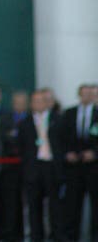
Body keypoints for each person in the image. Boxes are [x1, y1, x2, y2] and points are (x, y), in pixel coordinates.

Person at [19, 90, 63, 242]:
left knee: (55, 206)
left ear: (47, 102)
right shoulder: (25, 123)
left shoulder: (58, 120)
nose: (38, 104)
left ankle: (57, 236)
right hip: (33, 168)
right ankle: (36, 237)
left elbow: (63, 143)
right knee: (33, 206)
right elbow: (21, 147)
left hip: (52, 167)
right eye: (35, 101)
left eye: (41, 100)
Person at [59, 84, 97, 241]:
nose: (87, 96)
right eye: (84, 94)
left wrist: (95, 153)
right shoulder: (69, 113)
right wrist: (67, 153)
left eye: (90, 93)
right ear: (79, 95)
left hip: (93, 167)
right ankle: (71, 236)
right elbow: (61, 137)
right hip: (73, 167)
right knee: (72, 204)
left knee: (95, 204)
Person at [0, 90, 27, 242]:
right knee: (10, 201)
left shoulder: (31, 118)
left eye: (21, 102)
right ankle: (10, 232)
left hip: (28, 166)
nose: (18, 105)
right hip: (9, 167)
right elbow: (4, 138)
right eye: (16, 102)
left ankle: (25, 232)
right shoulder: (5, 118)